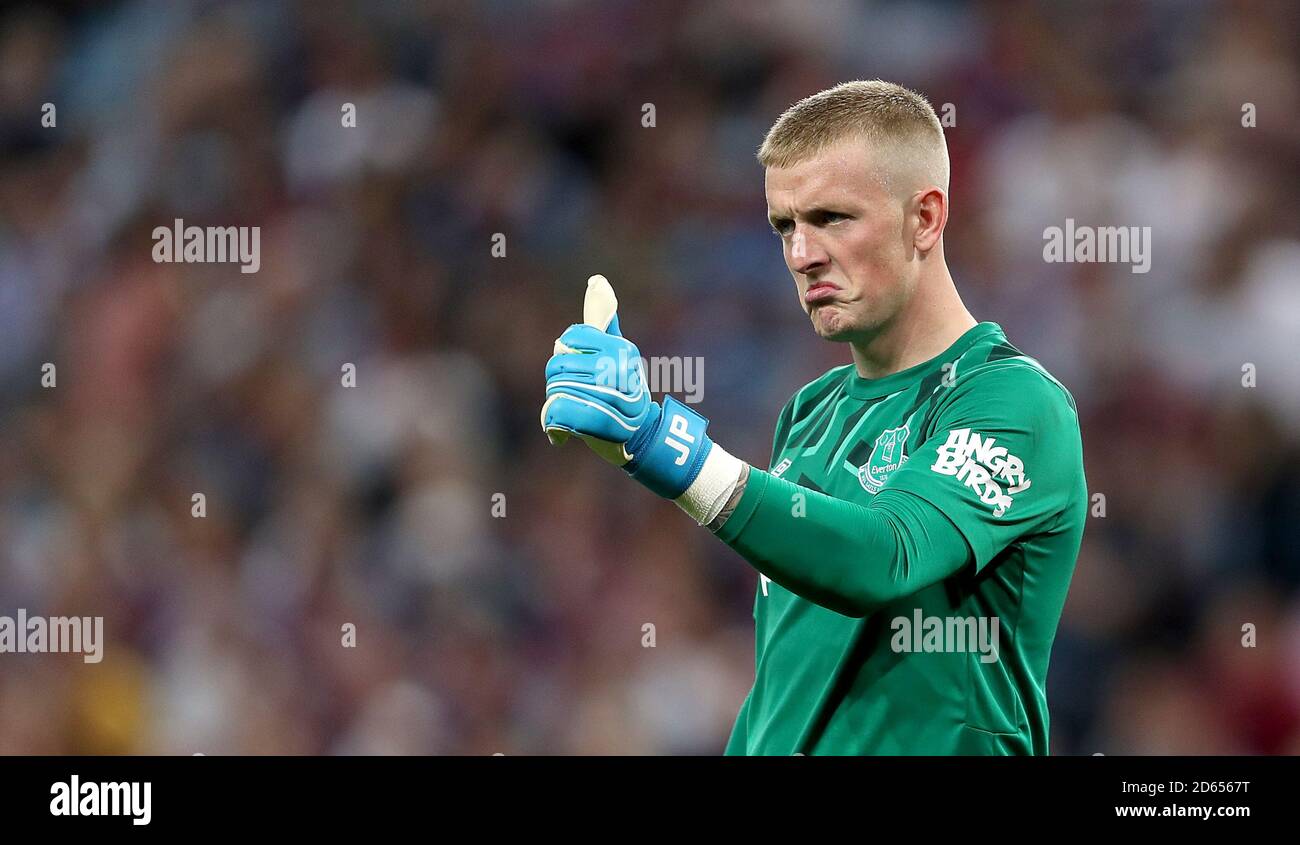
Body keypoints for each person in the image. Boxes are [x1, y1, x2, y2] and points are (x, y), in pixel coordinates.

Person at [541, 80, 1087, 755]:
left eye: (831, 218)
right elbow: (787, 682)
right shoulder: (811, 412)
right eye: (785, 226)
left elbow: (884, 556)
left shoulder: (1015, 403)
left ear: (925, 217)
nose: (803, 254)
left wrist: (660, 443)